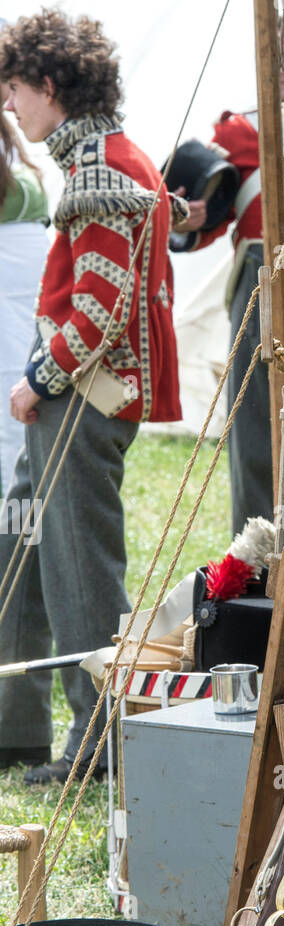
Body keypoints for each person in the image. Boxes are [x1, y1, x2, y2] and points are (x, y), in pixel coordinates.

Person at [0, 9, 182, 782]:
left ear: (47, 84)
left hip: (85, 398)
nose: (10, 108)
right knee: (23, 543)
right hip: (69, 399)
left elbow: (101, 312)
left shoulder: (105, 165)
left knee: (80, 573)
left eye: (13, 91)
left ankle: (100, 738)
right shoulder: (92, 159)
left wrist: (36, 381)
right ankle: (19, 729)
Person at [172, 16, 284, 536]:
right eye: (278, 58)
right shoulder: (236, 132)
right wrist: (189, 215)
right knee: (254, 433)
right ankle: (258, 574)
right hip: (258, 286)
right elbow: (200, 216)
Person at [0, 65, 50, 496]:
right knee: (9, 425)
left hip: (24, 299)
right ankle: (15, 543)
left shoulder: (10, 130)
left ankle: (18, 549)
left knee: (16, 420)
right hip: (6, 301)